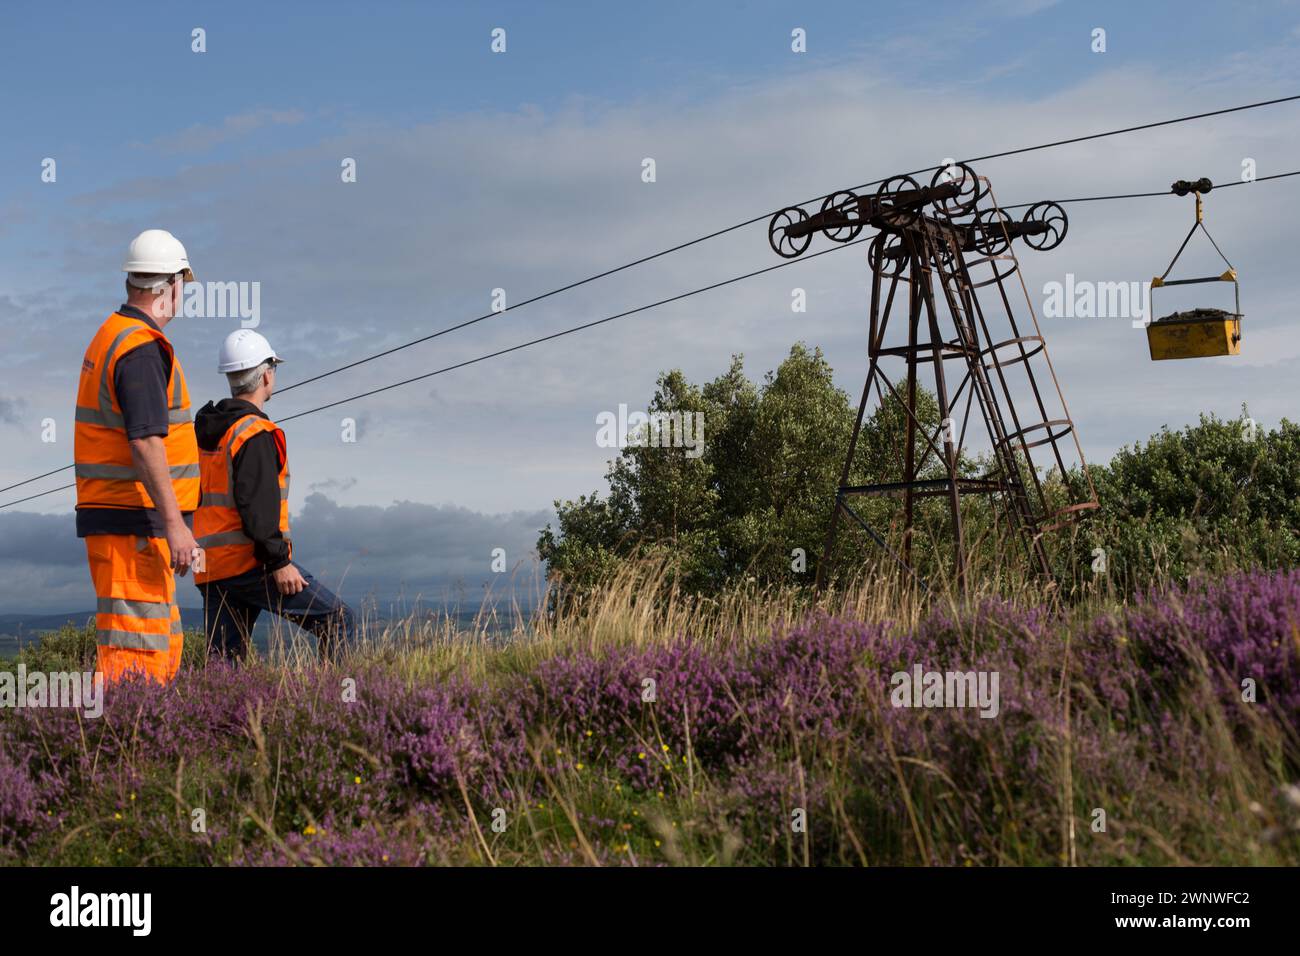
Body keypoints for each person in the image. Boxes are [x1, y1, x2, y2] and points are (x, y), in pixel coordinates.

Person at [74, 229, 200, 684]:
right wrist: (174, 525)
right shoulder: (140, 347)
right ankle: (124, 748)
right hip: (136, 522)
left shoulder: (113, 335)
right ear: (170, 285)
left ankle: (143, 746)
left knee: (154, 645)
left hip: (127, 520)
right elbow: (145, 441)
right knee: (137, 655)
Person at [193, 329, 354, 661]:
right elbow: (256, 505)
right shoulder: (254, 433)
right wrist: (279, 562)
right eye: (274, 369)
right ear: (266, 374)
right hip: (250, 563)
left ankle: (217, 714)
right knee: (338, 620)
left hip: (211, 567)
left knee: (225, 664)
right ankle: (335, 707)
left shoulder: (205, 433)